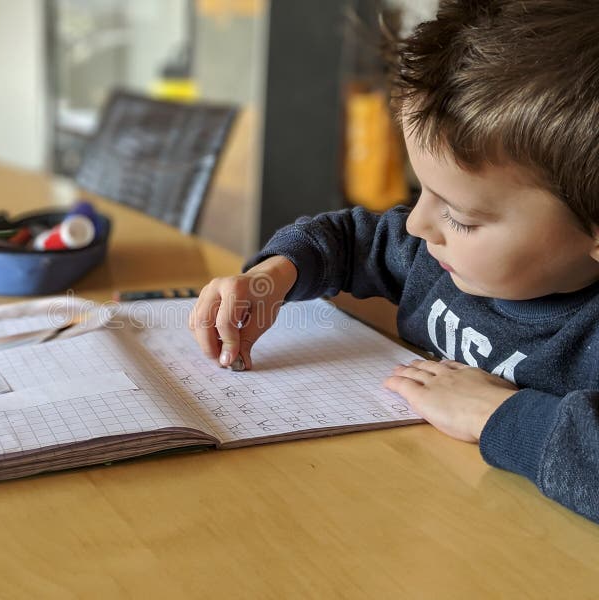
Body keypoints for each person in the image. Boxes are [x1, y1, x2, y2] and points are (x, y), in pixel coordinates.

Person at [189, 0, 599, 523]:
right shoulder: (434, 256)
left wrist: (495, 413)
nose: (415, 224)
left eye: (461, 216)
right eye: (421, 189)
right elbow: (350, 239)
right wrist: (271, 277)